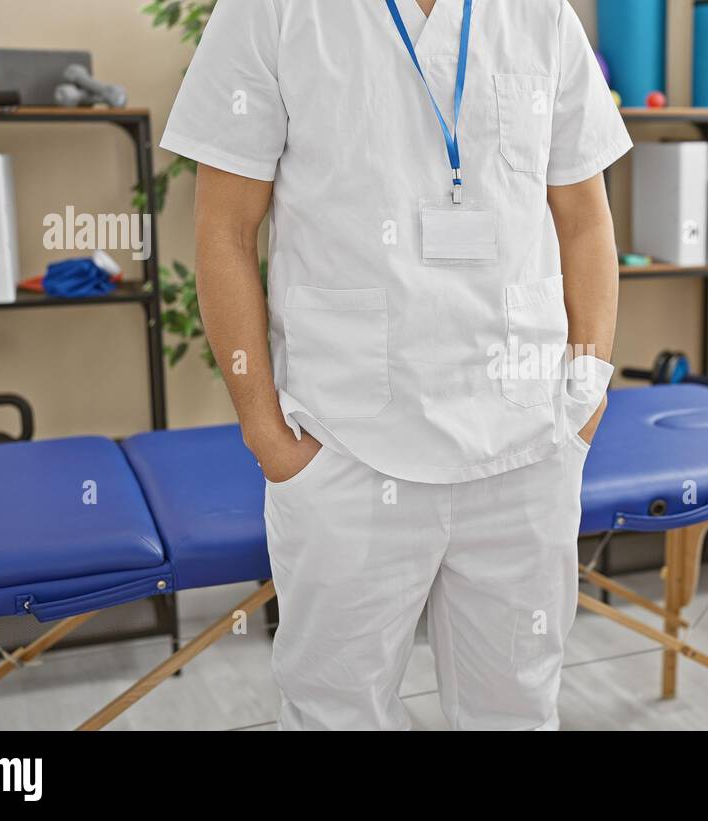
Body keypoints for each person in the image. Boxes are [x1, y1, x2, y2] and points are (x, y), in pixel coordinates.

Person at [160, 0, 630, 730]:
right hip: (346, 446)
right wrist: (265, 433)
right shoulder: (271, 12)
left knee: (519, 710)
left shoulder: (541, 14)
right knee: (334, 713)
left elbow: (586, 217)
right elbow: (225, 230)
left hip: (526, 446)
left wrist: (586, 392)